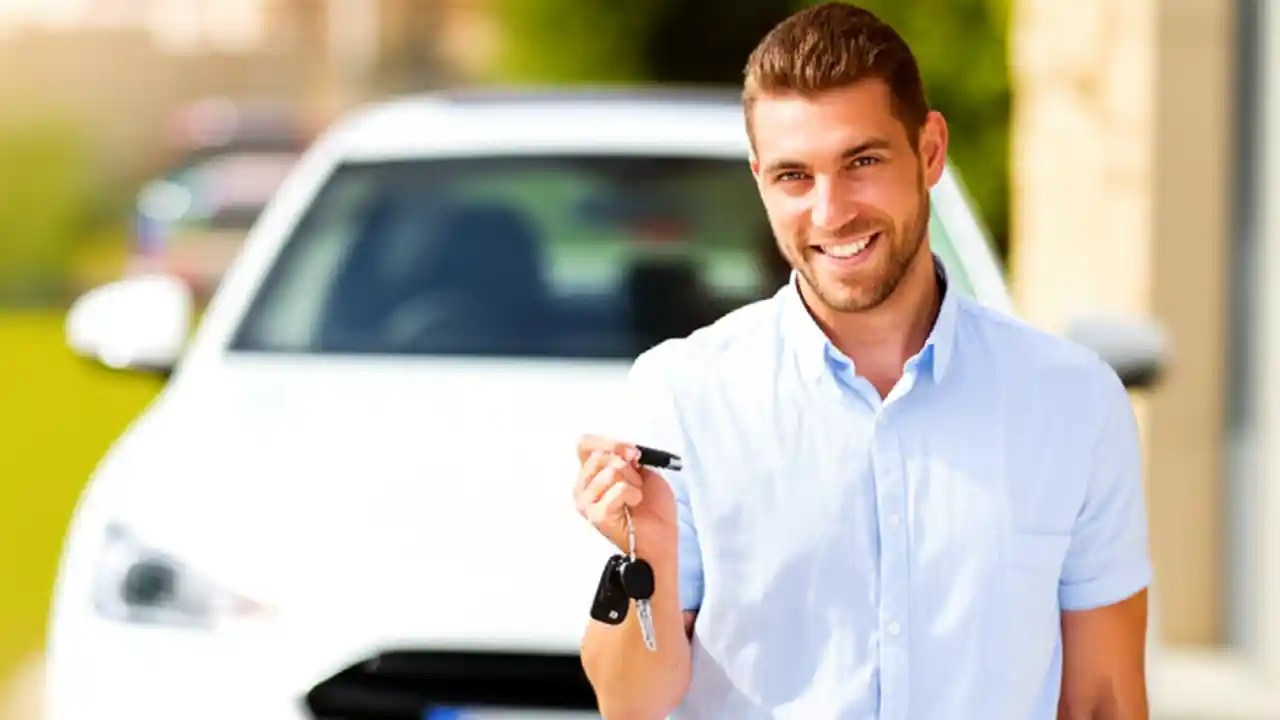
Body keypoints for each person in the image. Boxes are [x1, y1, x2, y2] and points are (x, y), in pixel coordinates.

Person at [572, 3, 1152, 719]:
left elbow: (1103, 699)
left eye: (862, 161)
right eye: (794, 176)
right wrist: (649, 558)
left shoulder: (1073, 403)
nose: (831, 210)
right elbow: (630, 703)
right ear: (760, 180)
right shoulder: (683, 394)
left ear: (930, 151)